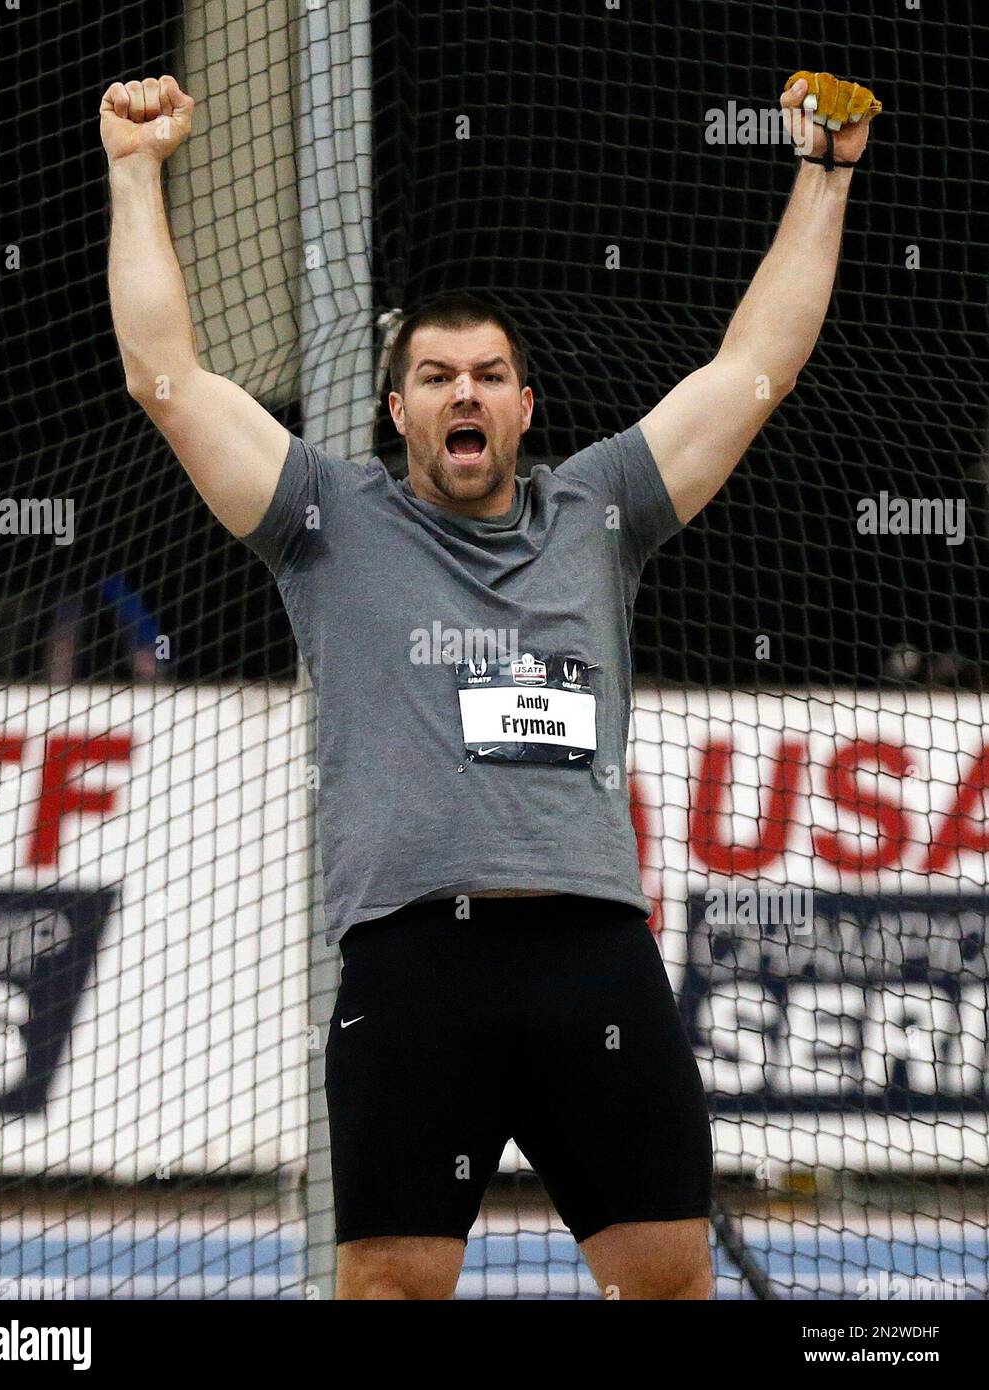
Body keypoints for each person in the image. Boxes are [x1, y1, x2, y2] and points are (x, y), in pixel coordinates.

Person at [102, 72, 877, 1300]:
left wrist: (824, 171)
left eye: (486, 373)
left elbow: (752, 367)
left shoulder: (602, 507)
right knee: (390, 1288)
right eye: (435, 374)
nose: (462, 391)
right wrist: (136, 170)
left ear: (524, 405)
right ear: (394, 406)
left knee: (669, 1280)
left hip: (591, 956)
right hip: (415, 966)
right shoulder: (321, 518)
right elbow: (169, 380)